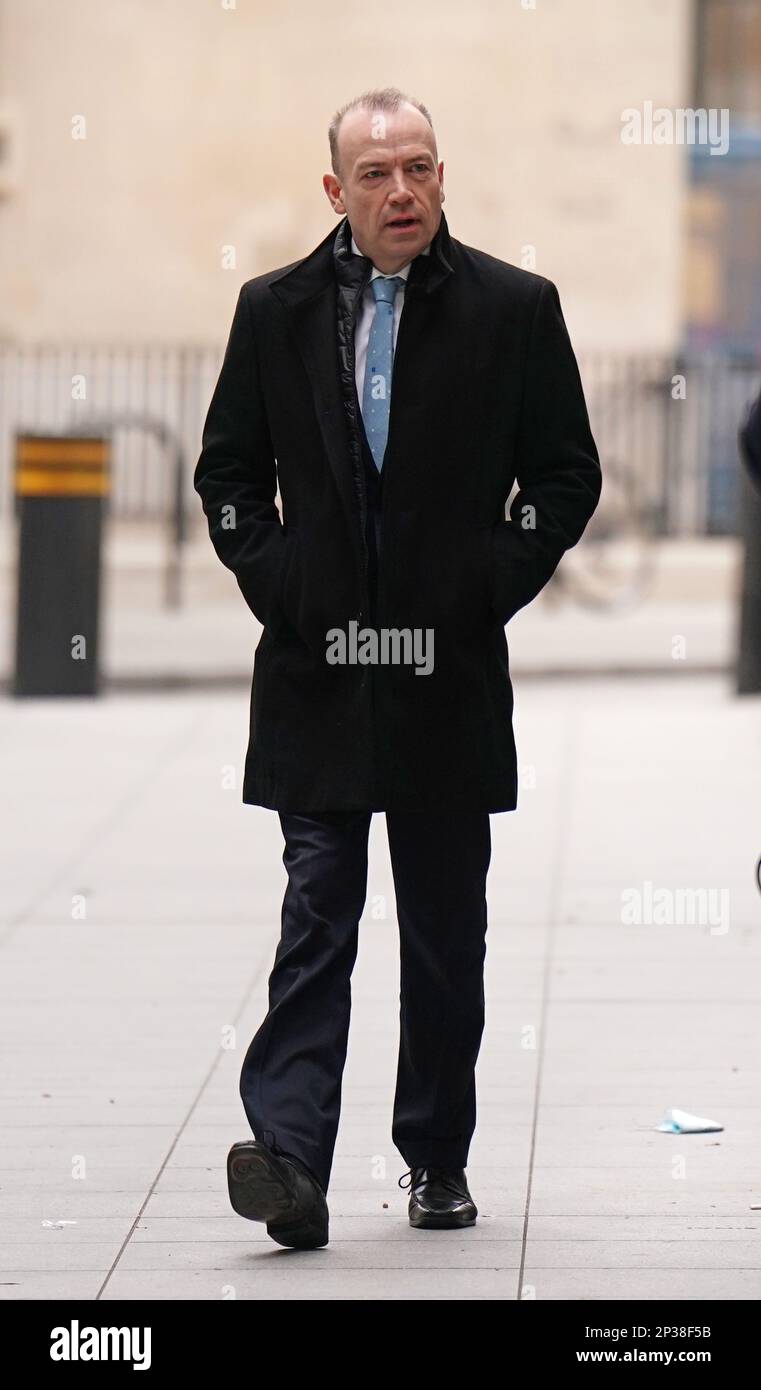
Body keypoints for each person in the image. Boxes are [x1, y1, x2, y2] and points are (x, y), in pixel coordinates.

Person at [194, 87, 602, 1250]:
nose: (400, 190)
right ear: (335, 191)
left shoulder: (513, 311)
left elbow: (564, 477)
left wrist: (484, 587)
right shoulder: (270, 311)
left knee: (439, 933)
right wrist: (282, 584)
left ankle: (434, 1157)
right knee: (316, 914)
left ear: (441, 176)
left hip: (443, 677)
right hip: (316, 674)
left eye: (417, 168)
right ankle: (288, 1160)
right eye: (374, 174)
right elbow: (227, 477)